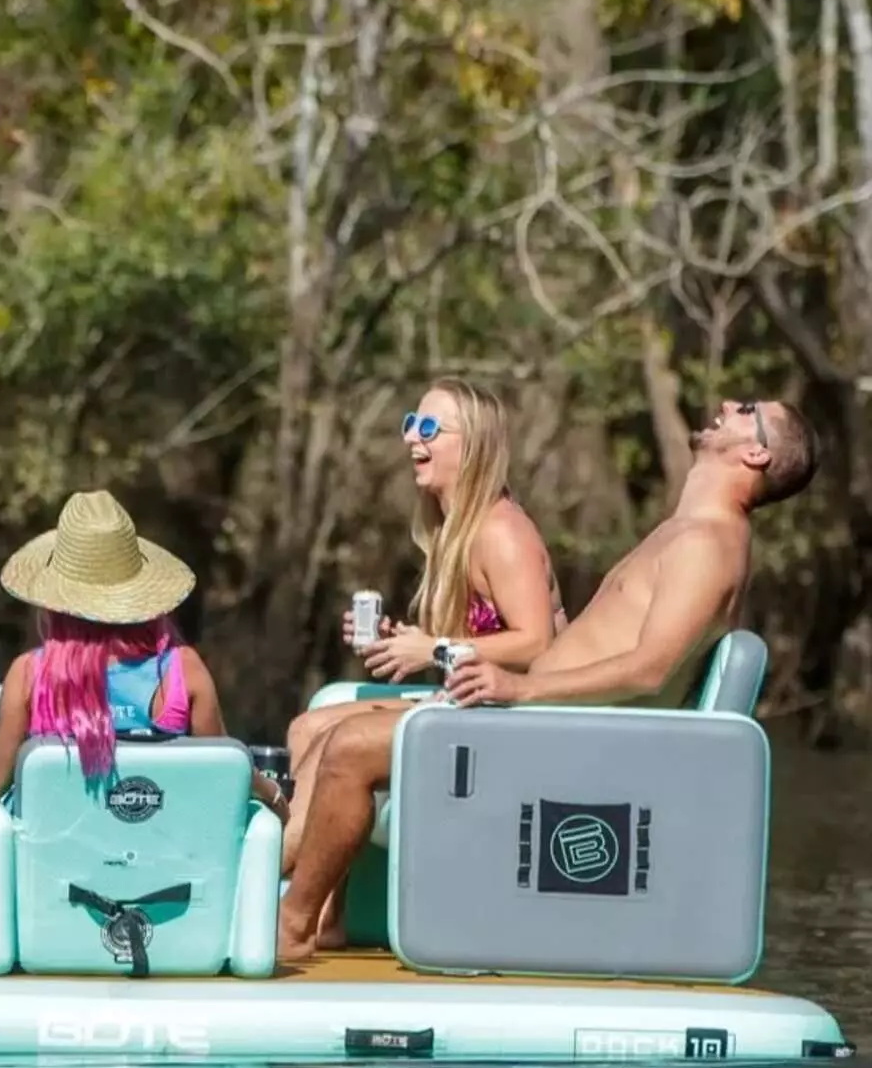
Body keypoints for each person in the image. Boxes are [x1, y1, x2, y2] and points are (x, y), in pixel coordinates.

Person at [279, 396, 819, 961]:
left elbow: (650, 668)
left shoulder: (708, 544)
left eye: (746, 408)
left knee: (350, 747)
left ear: (756, 452)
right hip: (536, 721)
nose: (729, 404)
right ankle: (315, 915)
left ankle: (285, 924)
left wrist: (519, 688)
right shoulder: (683, 531)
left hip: (558, 741)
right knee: (320, 726)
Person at [283, 378, 563, 873]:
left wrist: (432, 649)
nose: (413, 437)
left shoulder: (502, 531)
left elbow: (536, 641)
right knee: (308, 727)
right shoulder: (452, 531)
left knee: (336, 741)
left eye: (430, 427)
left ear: (472, 445)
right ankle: (324, 915)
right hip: (473, 706)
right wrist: (401, 643)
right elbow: (470, 641)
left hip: (523, 719)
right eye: (411, 423)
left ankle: (258, 885)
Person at [0, 489, 288, 818]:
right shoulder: (182, 669)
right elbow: (225, 771)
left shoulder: (29, 674)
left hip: (49, 872)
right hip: (163, 867)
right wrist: (272, 794)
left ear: (54, 599)